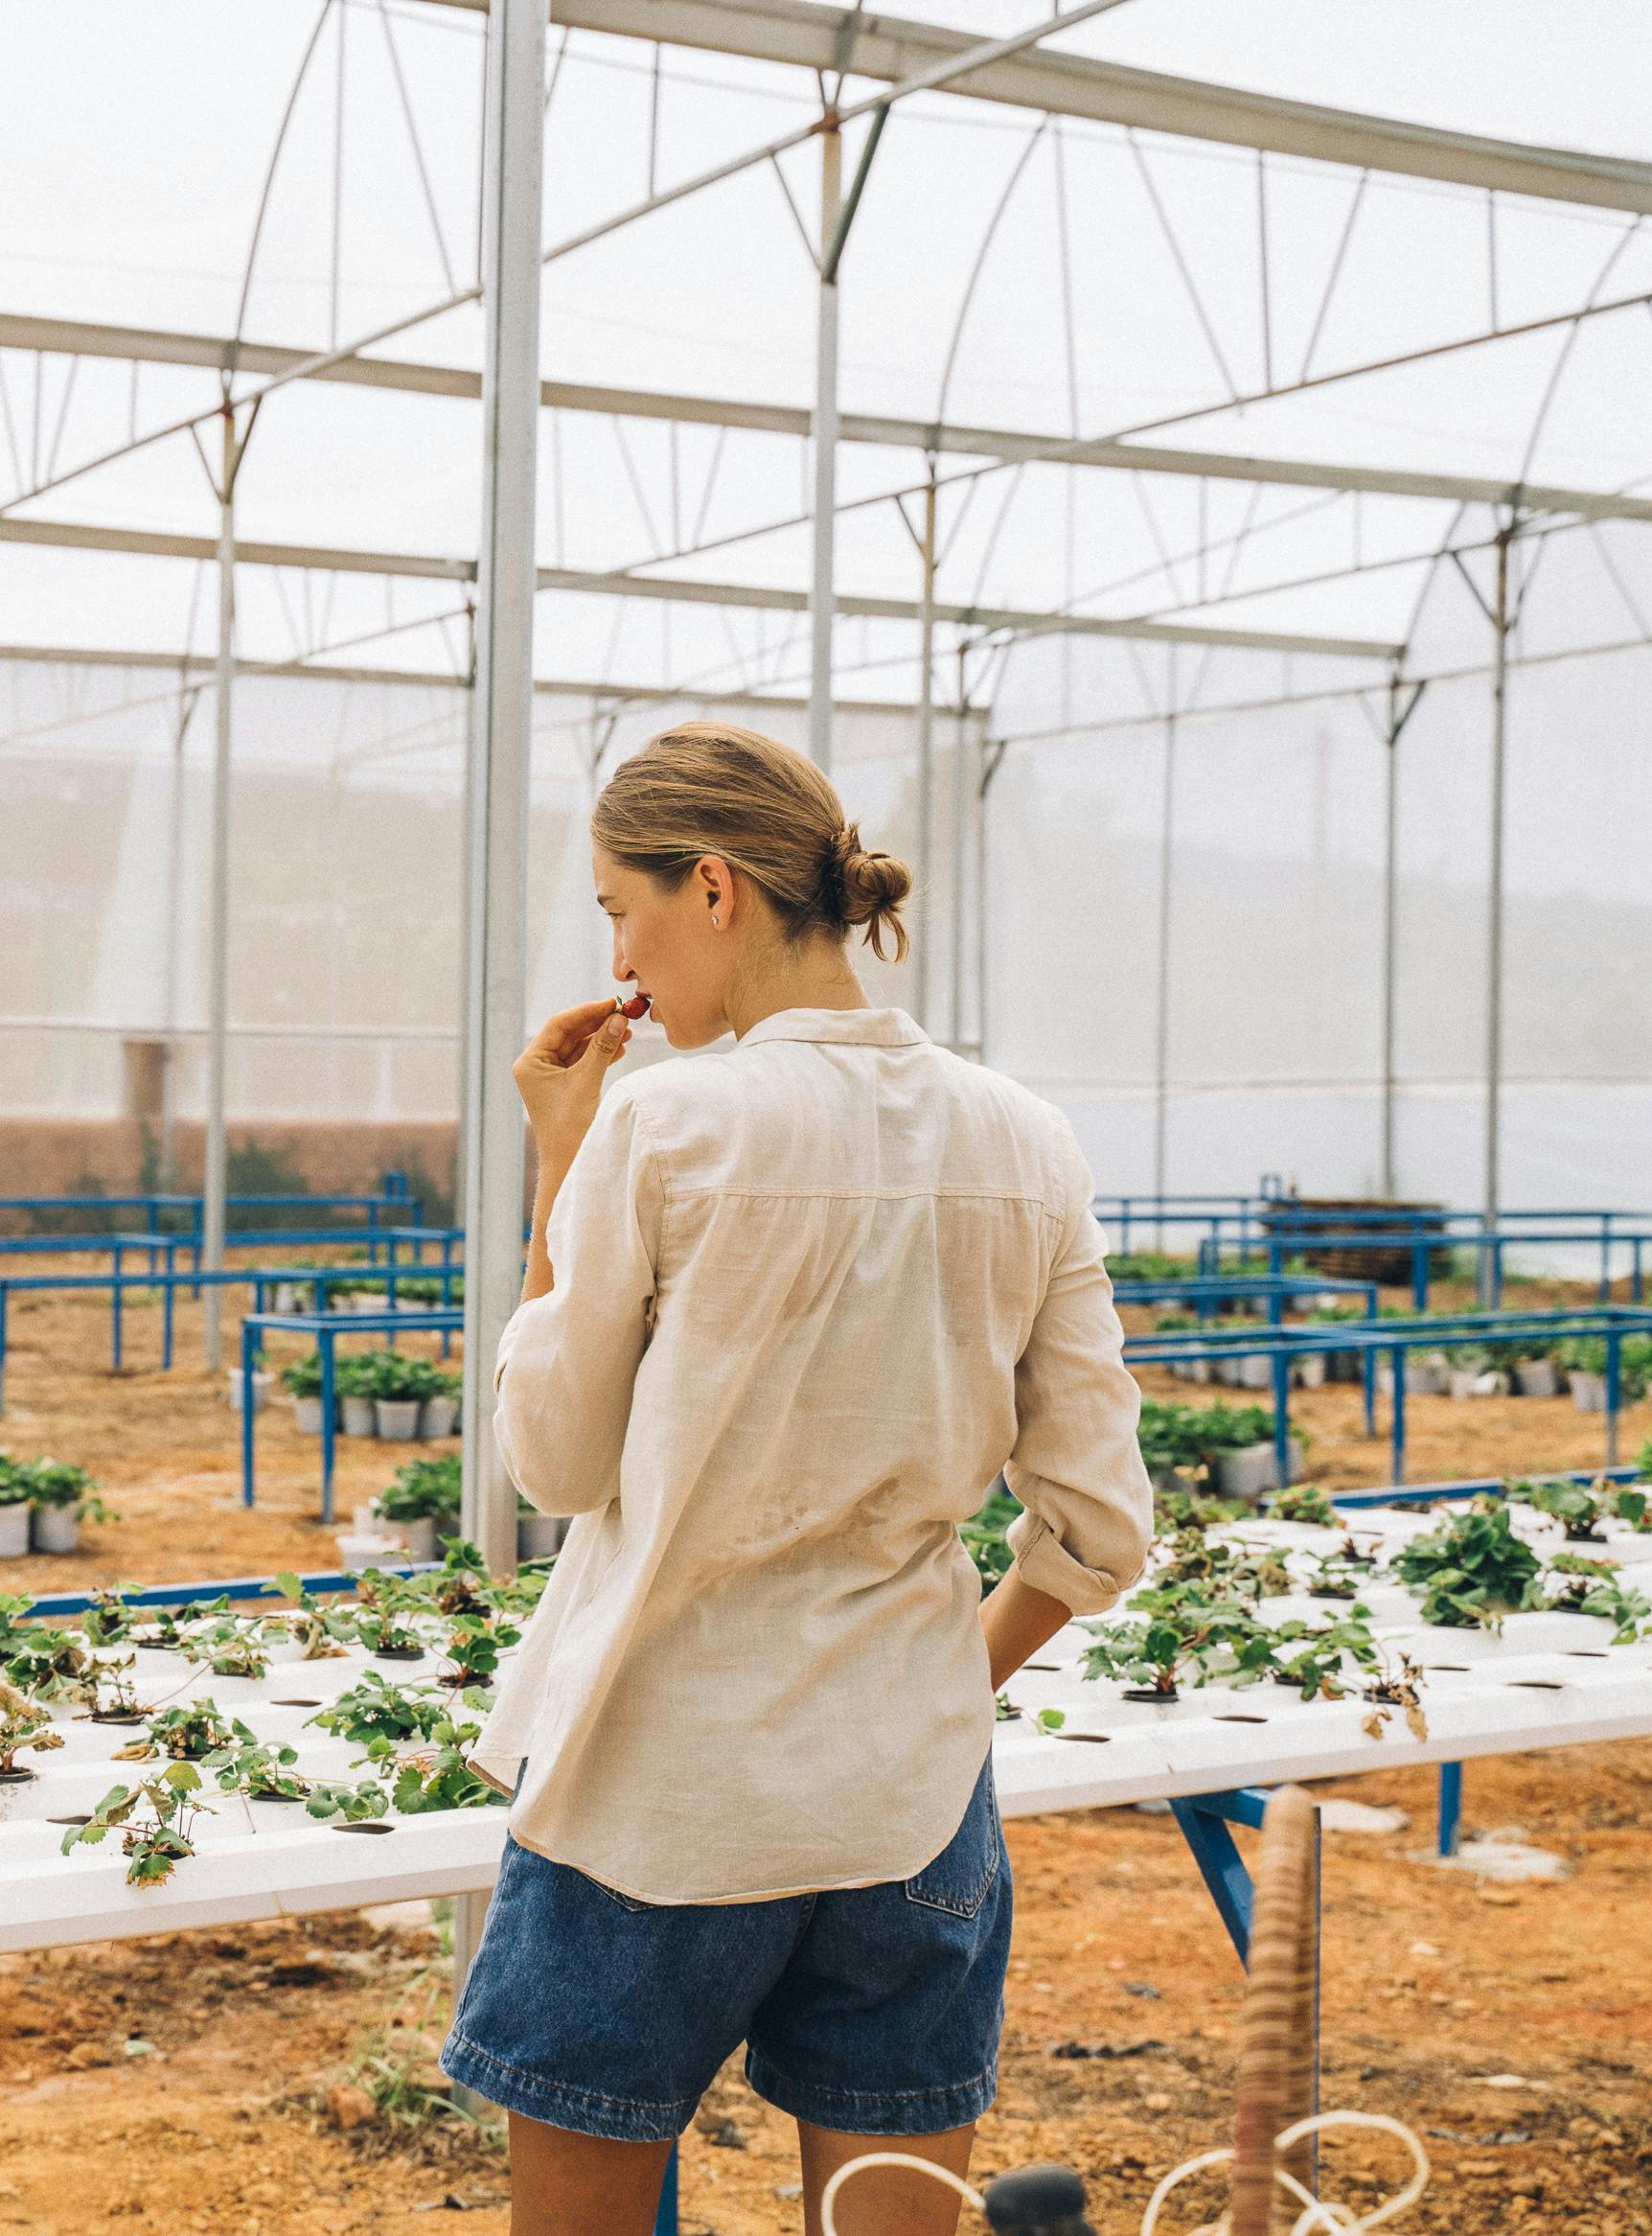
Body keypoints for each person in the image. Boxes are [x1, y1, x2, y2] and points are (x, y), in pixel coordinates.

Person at [443, 722, 1153, 2236]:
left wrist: (556, 1172)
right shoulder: (1027, 1137)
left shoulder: (665, 1117)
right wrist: (938, 1685)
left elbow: (557, 1460)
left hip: (659, 1793)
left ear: (713, 889)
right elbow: (1097, 1523)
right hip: (909, 1803)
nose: (620, 958)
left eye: (617, 911)